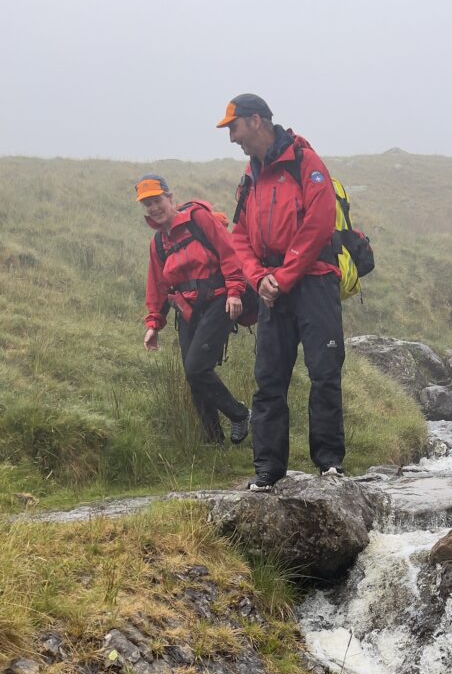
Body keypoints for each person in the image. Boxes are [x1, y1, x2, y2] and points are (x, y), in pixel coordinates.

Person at [216, 94, 345, 491]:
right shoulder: (249, 177)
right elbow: (239, 236)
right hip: (272, 288)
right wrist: (258, 278)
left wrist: (283, 277)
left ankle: (329, 464)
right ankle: (268, 471)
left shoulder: (307, 163)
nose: (232, 137)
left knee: (324, 372)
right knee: (268, 380)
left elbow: (319, 225)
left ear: (256, 121)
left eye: (234, 127)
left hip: (315, 282)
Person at [137, 174, 251, 446]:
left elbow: (228, 252)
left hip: (219, 300)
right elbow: (158, 284)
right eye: (147, 204)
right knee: (193, 376)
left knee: (197, 368)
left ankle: (239, 413)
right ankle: (213, 441)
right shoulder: (158, 243)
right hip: (187, 310)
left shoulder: (198, 218)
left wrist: (235, 291)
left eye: (157, 200)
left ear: (170, 198)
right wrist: (154, 323)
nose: (154, 208)